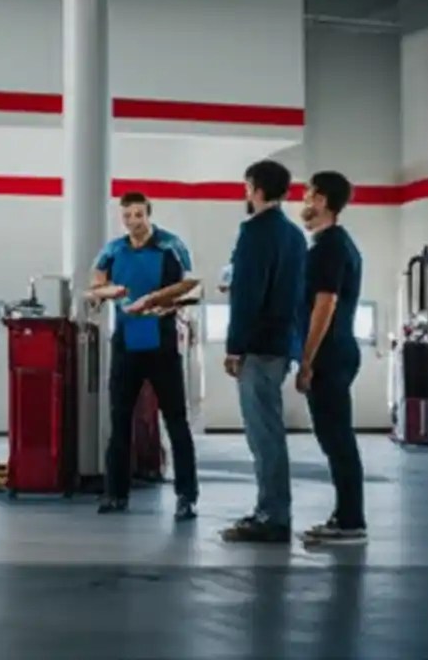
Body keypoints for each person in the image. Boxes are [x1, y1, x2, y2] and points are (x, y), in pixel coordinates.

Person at [88, 192, 201, 520]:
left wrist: (153, 299)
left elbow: (191, 284)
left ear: (148, 214)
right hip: (126, 343)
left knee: (176, 421)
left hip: (162, 343)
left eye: (138, 215)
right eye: (127, 217)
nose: (133, 222)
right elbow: (96, 285)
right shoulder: (114, 249)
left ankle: (187, 496)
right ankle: (115, 494)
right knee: (120, 420)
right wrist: (111, 291)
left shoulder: (171, 245)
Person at [219, 159, 307, 543]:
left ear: (254, 189)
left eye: (246, 188)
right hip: (281, 342)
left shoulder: (255, 233)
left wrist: (235, 345)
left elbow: (249, 294)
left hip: (257, 345)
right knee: (269, 430)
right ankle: (272, 509)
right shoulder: (294, 235)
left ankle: (273, 515)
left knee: (263, 433)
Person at [296, 171, 367, 544]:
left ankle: (352, 521)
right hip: (336, 351)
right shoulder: (333, 244)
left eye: (308, 196)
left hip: (330, 353)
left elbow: (325, 304)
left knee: (338, 439)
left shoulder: (330, 247)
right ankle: (344, 515)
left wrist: (307, 359)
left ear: (322, 201)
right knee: (334, 438)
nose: (303, 203)